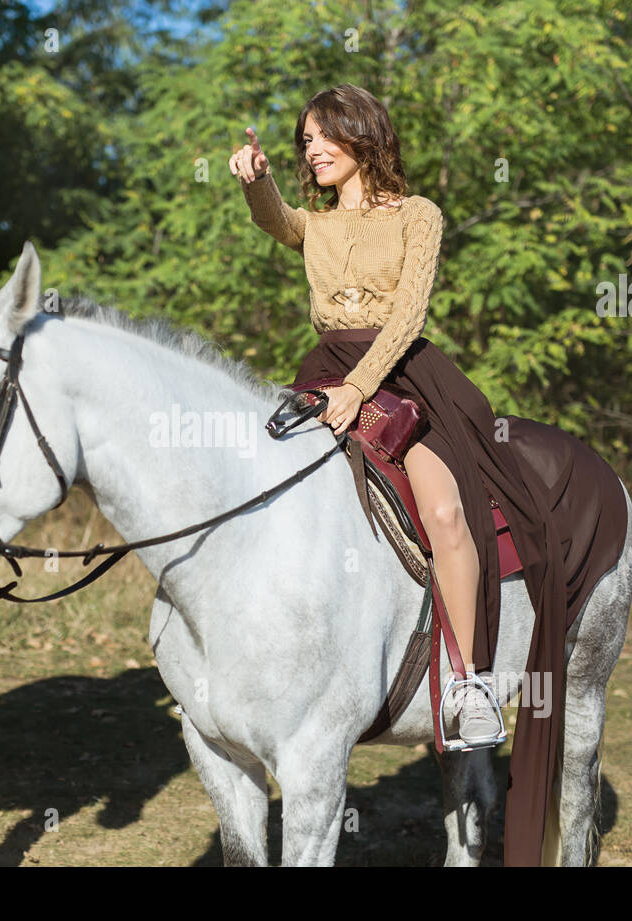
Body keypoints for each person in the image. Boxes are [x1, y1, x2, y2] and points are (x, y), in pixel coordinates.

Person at [229, 83, 512, 749]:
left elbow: (409, 314)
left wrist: (359, 389)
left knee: (444, 513)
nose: (314, 148)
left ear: (363, 135)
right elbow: (276, 221)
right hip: (323, 373)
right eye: (305, 140)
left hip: (403, 374)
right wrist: (255, 182)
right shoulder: (316, 224)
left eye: (326, 135)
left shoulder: (419, 213)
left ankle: (469, 686)